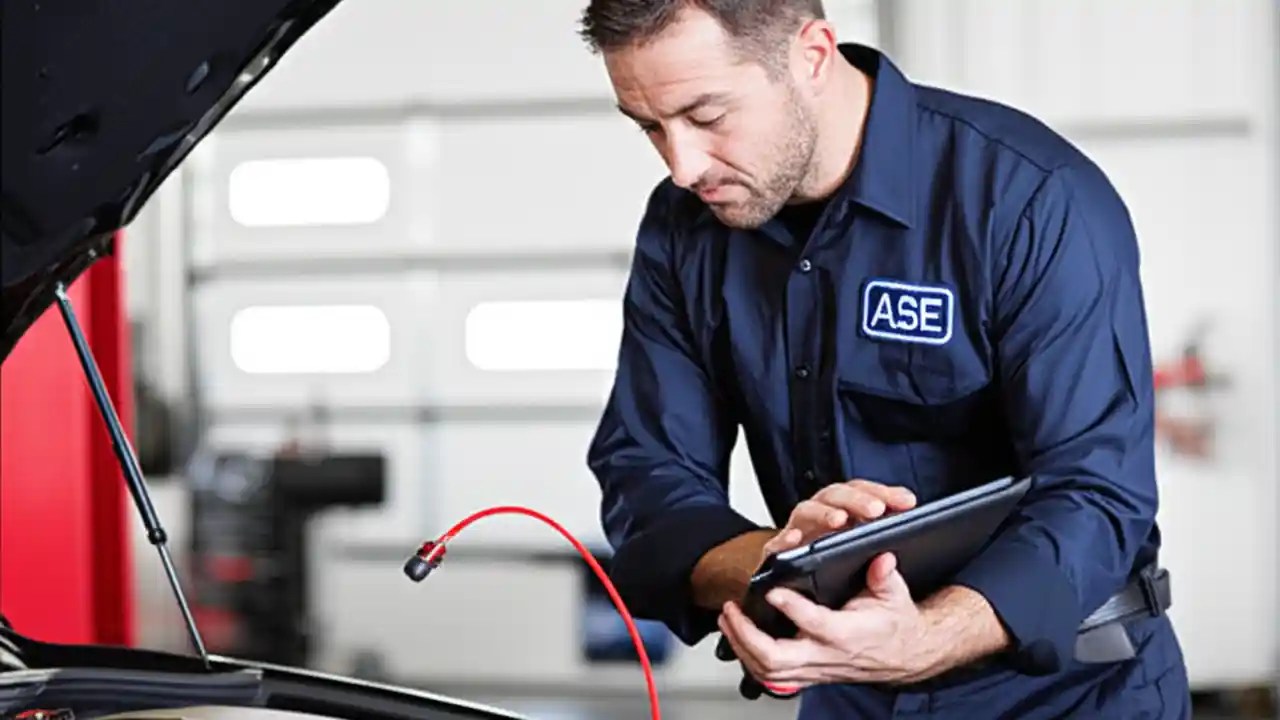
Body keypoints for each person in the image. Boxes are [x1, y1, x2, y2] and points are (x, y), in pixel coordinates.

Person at [578, 1, 1191, 717]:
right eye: (650, 127)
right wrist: (776, 565)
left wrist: (925, 637)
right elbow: (647, 477)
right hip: (850, 689)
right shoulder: (684, 231)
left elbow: (1096, 495)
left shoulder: (1026, 200)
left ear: (811, 55)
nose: (682, 166)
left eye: (707, 117)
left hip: (1071, 696)